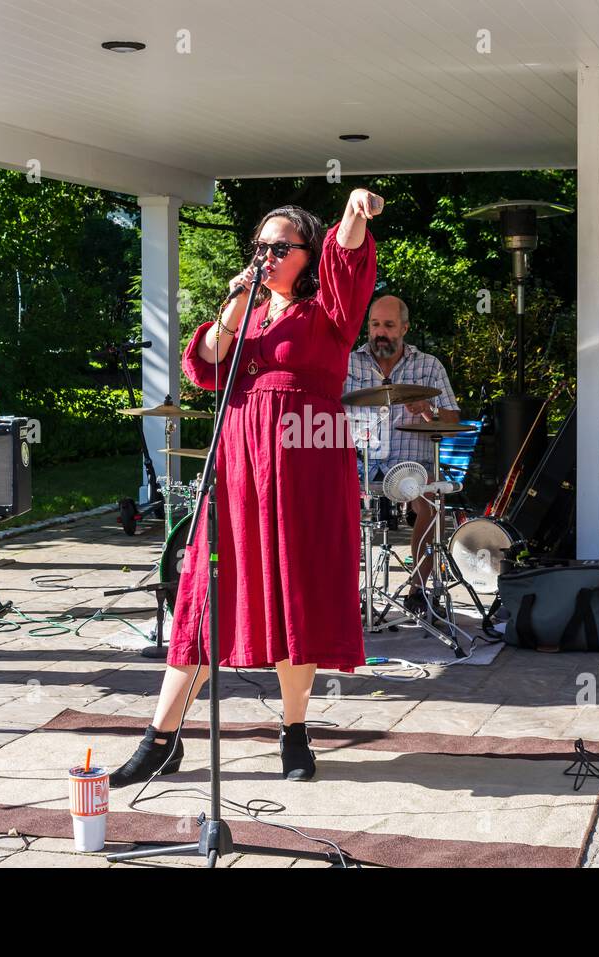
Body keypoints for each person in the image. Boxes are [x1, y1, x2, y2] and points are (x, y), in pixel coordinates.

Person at [108, 188, 383, 785]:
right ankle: (162, 737)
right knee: (204, 595)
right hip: (238, 470)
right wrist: (235, 303)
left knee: (297, 593)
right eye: (260, 246)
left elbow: (350, 259)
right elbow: (204, 366)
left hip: (307, 468)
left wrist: (354, 215)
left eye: (280, 247)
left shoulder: (328, 312)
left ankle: (295, 732)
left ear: (310, 254)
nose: (266, 255)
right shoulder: (248, 312)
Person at [343, 295, 460, 613]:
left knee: (433, 499)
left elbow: (451, 423)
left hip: (411, 464)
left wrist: (428, 409)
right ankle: (343, 592)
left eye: (389, 325)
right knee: (327, 500)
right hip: (360, 461)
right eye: (375, 324)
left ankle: (418, 589)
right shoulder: (347, 362)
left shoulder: (429, 365)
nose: (380, 332)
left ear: (405, 328)